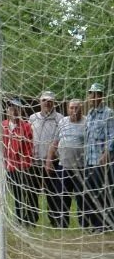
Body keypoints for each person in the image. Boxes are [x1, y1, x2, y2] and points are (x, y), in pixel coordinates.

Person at [0, 99, 35, 225]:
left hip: (17, 166)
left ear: (21, 110)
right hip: (0, 165)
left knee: (19, 193)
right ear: (7, 110)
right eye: (11, 108)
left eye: (17, 108)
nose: (14, 110)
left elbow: (28, 148)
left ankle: (19, 218)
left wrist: (23, 164)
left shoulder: (26, 127)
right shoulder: (1, 125)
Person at [47, 98, 86, 228]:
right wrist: (49, 160)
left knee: (82, 197)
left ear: (81, 108)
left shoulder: (87, 122)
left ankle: (83, 224)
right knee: (63, 196)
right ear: (67, 109)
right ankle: (62, 224)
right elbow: (55, 142)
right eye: (71, 108)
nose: (74, 110)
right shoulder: (62, 122)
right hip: (63, 166)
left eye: (77, 107)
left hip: (81, 167)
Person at [27, 90, 63, 227]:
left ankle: (55, 220)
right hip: (34, 161)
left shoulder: (60, 119)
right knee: (31, 192)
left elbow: (59, 140)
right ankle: (31, 219)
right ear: (39, 102)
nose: (47, 103)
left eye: (50, 101)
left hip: (52, 161)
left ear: (54, 102)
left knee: (53, 193)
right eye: (44, 100)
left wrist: (50, 158)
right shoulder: (32, 118)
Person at [82, 82, 114, 231]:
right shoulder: (89, 114)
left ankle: (105, 224)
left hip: (102, 161)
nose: (93, 97)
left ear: (101, 96)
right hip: (89, 160)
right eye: (91, 94)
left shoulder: (109, 113)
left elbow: (112, 136)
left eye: (96, 94)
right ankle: (95, 224)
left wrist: (106, 153)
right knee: (91, 194)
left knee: (103, 194)